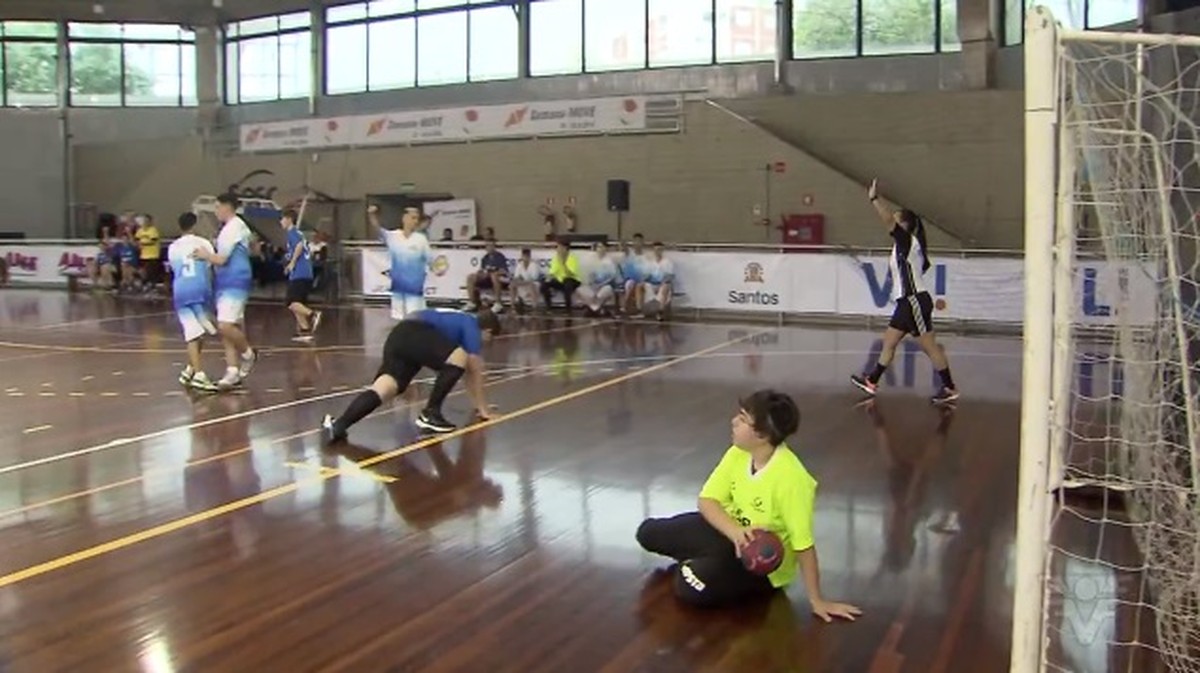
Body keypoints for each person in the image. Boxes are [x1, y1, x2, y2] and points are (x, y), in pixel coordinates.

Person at [635, 389, 861, 620]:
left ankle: (703, 563)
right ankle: (703, 559)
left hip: (759, 564)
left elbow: (803, 545)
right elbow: (707, 501)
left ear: (762, 434)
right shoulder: (738, 453)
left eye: (743, 419)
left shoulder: (792, 480)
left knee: (690, 588)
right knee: (646, 533)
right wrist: (734, 532)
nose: (734, 421)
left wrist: (817, 600)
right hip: (727, 530)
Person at [851, 179, 958, 405]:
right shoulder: (904, 246)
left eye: (898, 218)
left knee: (929, 346)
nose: (894, 219)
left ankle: (949, 387)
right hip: (906, 302)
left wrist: (874, 199)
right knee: (889, 342)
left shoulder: (908, 241)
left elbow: (887, 219)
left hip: (914, 301)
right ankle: (872, 380)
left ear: (905, 225)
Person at [322, 308, 502, 440]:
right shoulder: (470, 324)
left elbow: (468, 373)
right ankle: (430, 413)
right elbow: (476, 369)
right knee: (459, 357)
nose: (486, 344)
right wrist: (484, 411)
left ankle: (339, 425)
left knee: (386, 388)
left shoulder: (459, 318)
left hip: (400, 337)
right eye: (490, 339)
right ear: (487, 330)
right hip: (415, 332)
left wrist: (479, 407)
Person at [193, 192, 258, 390]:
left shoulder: (234, 227)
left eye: (217, 207)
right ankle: (232, 371)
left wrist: (204, 255)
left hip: (234, 280)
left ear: (226, 206)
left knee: (225, 325)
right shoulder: (233, 228)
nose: (216, 211)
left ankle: (248, 354)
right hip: (225, 280)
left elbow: (222, 259)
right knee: (228, 329)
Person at [167, 212, 219, 392]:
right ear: (195, 225)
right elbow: (210, 265)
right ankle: (198, 374)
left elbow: (176, 269)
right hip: (200, 288)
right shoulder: (204, 243)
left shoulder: (173, 247)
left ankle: (191, 369)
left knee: (196, 332)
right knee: (196, 333)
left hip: (181, 290)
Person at [369, 203, 431, 320]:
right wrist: (372, 215)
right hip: (398, 289)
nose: (416, 221)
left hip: (415, 290)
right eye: (413, 218)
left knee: (415, 320)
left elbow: (430, 259)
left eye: (417, 218)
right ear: (404, 218)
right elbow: (377, 229)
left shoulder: (421, 239)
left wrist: (437, 268)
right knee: (399, 321)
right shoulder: (393, 236)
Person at [280, 209, 323, 341]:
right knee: (298, 304)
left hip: (300, 273)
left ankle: (312, 314)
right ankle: (305, 331)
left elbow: (298, 246)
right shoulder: (298, 233)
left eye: (282, 219)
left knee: (291, 302)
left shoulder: (292, 233)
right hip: (304, 273)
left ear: (288, 219)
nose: (280, 222)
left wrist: (292, 262)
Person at [464, 238, 509, 313]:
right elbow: (483, 269)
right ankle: (472, 302)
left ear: (494, 247)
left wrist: (493, 272)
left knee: (494, 276)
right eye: (487, 246)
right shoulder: (485, 258)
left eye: (491, 246)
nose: (489, 248)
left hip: (498, 278)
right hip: (487, 278)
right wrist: (480, 273)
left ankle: (498, 303)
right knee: (470, 277)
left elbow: (504, 271)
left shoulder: (500, 257)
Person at [540, 238, 582, 312]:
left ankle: (568, 308)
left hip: (572, 280)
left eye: (559, 247)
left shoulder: (572, 258)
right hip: (560, 280)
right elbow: (553, 272)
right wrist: (548, 279)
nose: (558, 249)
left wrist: (563, 263)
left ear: (565, 248)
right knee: (544, 284)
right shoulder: (556, 258)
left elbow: (570, 273)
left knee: (567, 283)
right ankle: (549, 307)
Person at [582, 241, 621, 317]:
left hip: (606, 285)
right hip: (595, 285)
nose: (600, 249)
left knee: (601, 295)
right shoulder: (592, 261)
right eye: (598, 247)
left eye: (602, 247)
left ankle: (593, 309)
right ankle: (596, 309)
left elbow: (611, 278)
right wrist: (592, 283)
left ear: (605, 248)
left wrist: (600, 285)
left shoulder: (609, 262)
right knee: (584, 292)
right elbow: (591, 275)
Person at [641, 241, 675, 321]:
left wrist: (661, 283)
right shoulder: (650, 262)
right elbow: (645, 275)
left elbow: (669, 276)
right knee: (640, 285)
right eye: (656, 250)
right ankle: (640, 310)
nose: (657, 251)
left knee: (666, 286)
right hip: (652, 284)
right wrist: (646, 278)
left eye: (659, 249)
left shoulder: (667, 262)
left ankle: (661, 311)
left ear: (662, 250)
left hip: (662, 284)